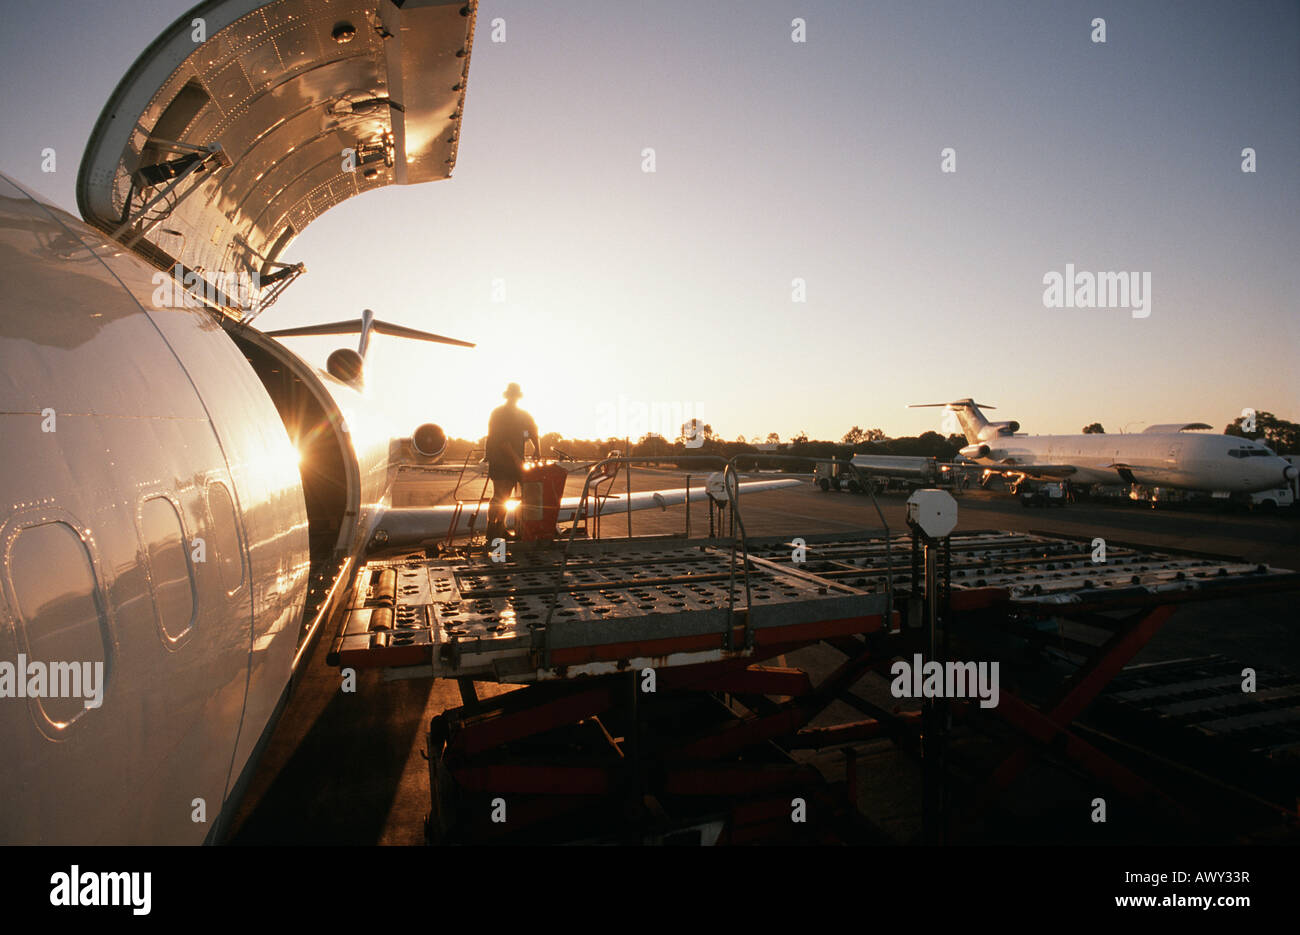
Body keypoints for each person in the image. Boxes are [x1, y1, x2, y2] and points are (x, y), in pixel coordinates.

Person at [485, 383, 540, 541]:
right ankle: (492, 527)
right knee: (500, 494)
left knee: (508, 496)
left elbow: (533, 431)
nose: (513, 399)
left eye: (515, 396)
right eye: (511, 396)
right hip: (500, 460)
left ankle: (501, 527)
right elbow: (501, 441)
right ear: (507, 397)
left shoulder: (523, 415)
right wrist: (516, 460)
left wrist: (537, 449)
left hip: (516, 461)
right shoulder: (498, 414)